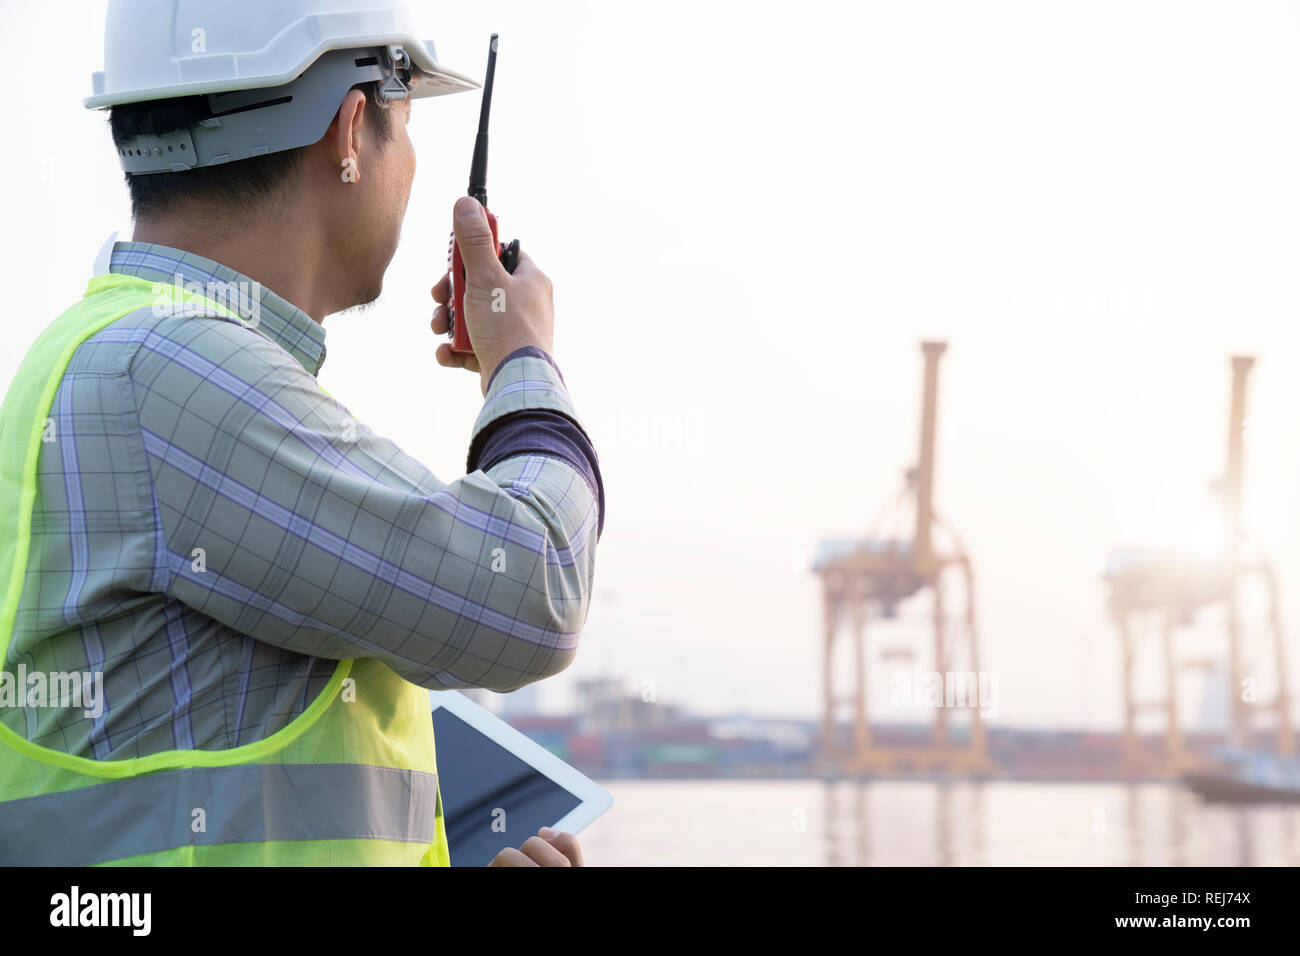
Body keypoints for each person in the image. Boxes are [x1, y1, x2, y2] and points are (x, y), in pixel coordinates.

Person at [0, 1, 602, 867]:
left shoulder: (103, 353)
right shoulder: (174, 369)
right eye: (406, 121)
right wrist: (524, 364)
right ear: (351, 129)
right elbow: (534, 591)